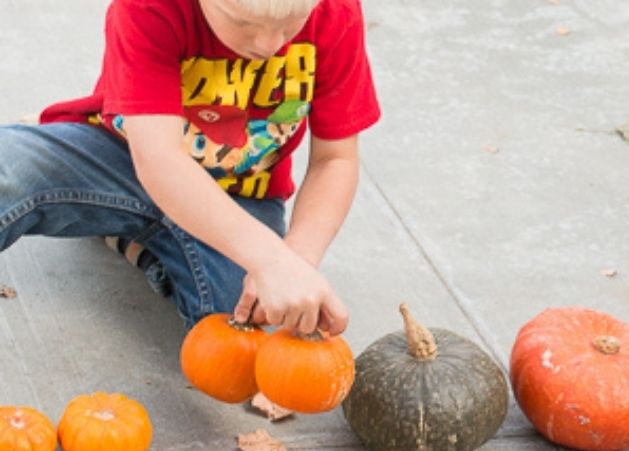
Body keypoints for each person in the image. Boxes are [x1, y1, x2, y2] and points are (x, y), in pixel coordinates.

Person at [0, 0, 380, 335]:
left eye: (290, 23)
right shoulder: (148, 6)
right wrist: (270, 258)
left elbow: (335, 159)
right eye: (244, 23)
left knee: (248, 318)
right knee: (11, 168)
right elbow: (161, 161)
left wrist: (295, 263)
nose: (270, 44)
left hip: (238, 196)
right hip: (122, 157)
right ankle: (143, 232)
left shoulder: (336, 12)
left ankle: (141, 244)